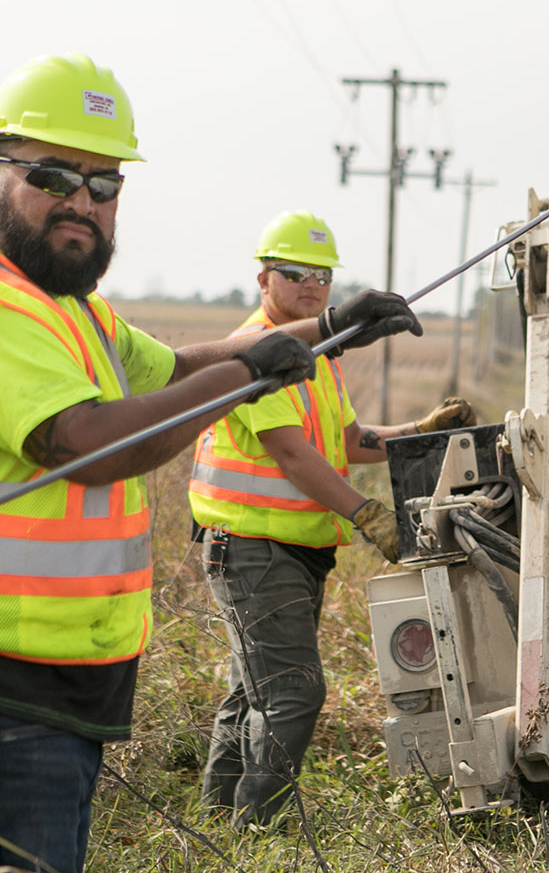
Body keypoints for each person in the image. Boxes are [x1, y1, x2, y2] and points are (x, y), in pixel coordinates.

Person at [0, 54, 420, 873]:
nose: (82, 201)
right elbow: (88, 441)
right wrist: (250, 377)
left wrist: (324, 332)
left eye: (103, 183)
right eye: (53, 176)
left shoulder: (66, 306)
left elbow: (175, 365)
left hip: (34, 683)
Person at [189, 210, 474, 825]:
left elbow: (344, 441)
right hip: (251, 548)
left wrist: (416, 432)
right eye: (294, 272)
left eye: (321, 274)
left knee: (254, 693)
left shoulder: (317, 356)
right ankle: (257, 830)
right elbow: (292, 453)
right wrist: (368, 514)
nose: (311, 285)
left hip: (290, 549)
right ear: (264, 279)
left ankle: (216, 823)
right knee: (293, 693)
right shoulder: (256, 356)